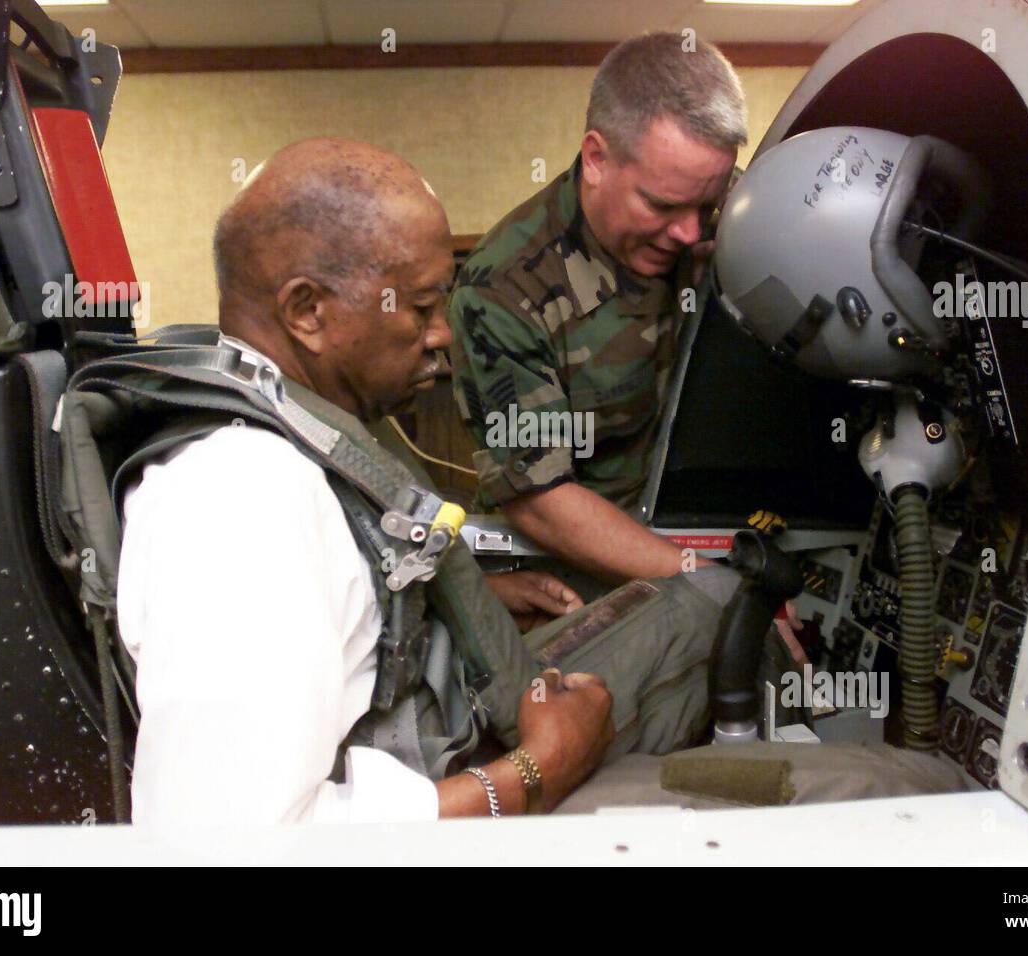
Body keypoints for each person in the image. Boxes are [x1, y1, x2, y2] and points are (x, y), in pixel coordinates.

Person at [116, 136, 742, 826]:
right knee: (755, 655)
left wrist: (449, 603)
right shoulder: (241, 501)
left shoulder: (295, 424)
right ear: (307, 312)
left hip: (448, 717)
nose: (442, 334)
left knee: (711, 601)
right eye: (420, 308)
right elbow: (224, 842)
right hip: (463, 782)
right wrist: (537, 771)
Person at [449, 32, 747, 584]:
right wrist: (711, 585)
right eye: (661, 205)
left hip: (715, 526)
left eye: (707, 203)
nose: (688, 232)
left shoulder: (724, 209)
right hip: (582, 573)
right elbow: (543, 502)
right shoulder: (504, 291)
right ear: (597, 158)